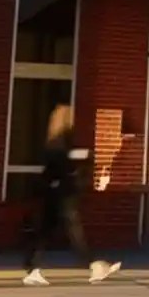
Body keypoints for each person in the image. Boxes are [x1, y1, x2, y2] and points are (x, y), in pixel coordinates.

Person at [22, 104, 122, 286]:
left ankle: (33, 269)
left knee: (46, 232)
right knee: (74, 232)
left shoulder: (55, 142)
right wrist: (77, 162)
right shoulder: (58, 145)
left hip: (55, 194)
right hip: (63, 195)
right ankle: (94, 265)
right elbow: (59, 168)